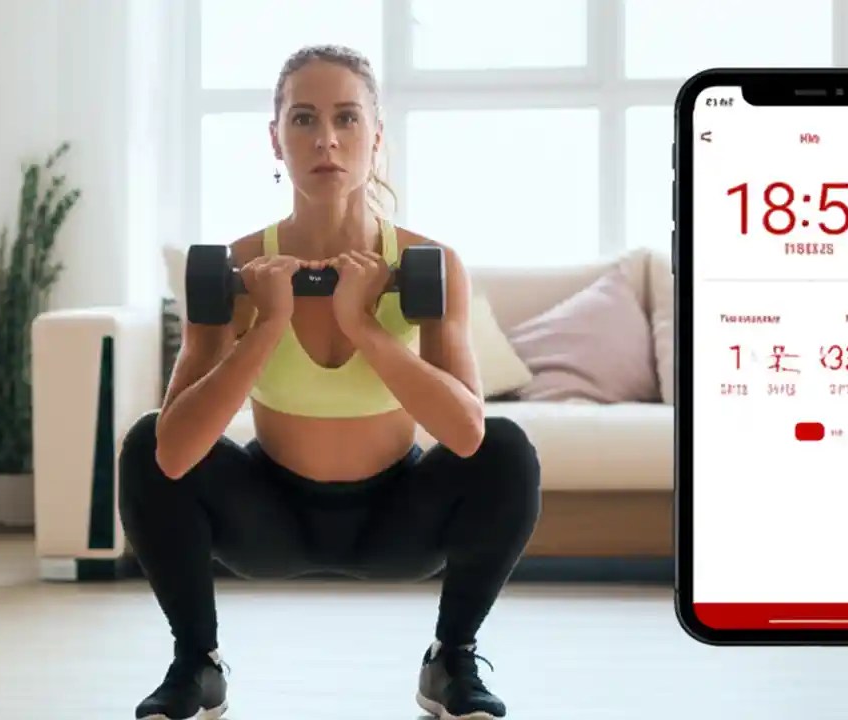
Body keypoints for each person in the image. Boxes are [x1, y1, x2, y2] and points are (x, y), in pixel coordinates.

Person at [117, 43, 541, 720]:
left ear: (376, 136)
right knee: (145, 441)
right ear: (275, 139)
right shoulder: (235, 267)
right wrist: (267, 324)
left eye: (347, 118)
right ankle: (196, 662)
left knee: (509, 450)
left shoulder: (430, 263)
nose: (327, 139)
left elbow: (466, 435)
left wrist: (363, 324)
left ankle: (452, 658)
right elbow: (173, 454)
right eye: (304, 119)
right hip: (268, 520)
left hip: (397, 522)